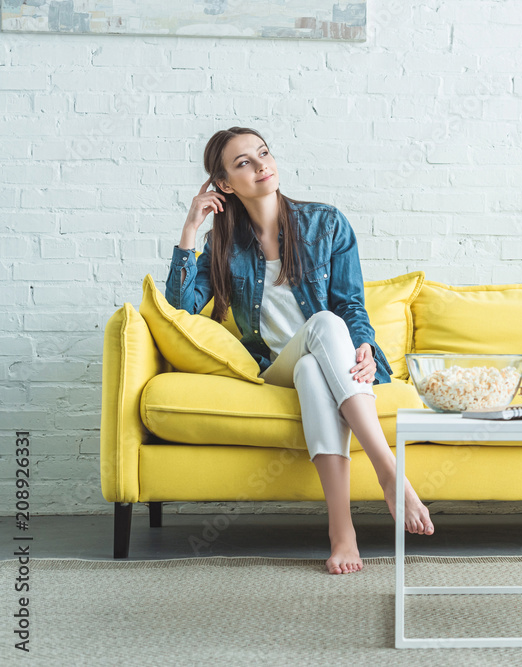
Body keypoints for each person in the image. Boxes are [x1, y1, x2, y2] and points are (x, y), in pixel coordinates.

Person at [165, 127, 434, 575]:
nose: (261, 165)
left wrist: (363, 344)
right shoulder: (222, 246)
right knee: (320, 329)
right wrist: (191, 228)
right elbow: (178, 308)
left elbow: (351, 303)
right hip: (276, 368)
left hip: (324, 363)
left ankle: (341, 532)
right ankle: (390, 471)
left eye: (263, 153)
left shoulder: (326, 223)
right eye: (243, 163)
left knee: (315, 365)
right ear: (224, 185)